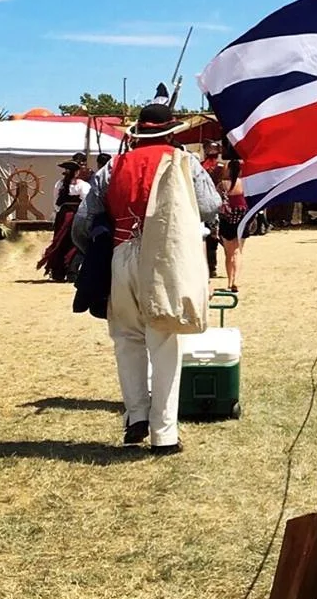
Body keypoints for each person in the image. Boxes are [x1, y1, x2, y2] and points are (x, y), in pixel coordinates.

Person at [72, 103, 220, 453]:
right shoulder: (186, 163)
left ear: (138, 134)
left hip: (121, 254)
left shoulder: (114, 166)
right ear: (170, 132)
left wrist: (95, 253)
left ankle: (136, 415)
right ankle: (164, 435)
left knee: (127, 339)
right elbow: (211, 206)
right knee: (164, 340)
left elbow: (83, 221)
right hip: (165, 255)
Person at [37, 159, 92, 281]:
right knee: (74, 242)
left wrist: (61, 212)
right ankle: (71, 271)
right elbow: (86, 202)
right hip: (77, 216)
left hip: (62, 216)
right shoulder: (83, 185)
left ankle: (58, 272)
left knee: (60, 243)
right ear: (77, 172)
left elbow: (56, 204)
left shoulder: (59, 184)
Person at [217, 157, 249, 292]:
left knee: (228, 253)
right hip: (241, 219)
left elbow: (216, 201)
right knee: (238, 251)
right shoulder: (245, 184)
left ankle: (230, 281)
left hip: (226, 220)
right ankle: (236, 280)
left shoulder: (222, 185)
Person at [200, 140, 223, 278]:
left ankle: (208, 266)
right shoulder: (221, 167)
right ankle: (212, 267)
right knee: (213, 238)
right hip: (216, 204)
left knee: (207, 237)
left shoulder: (201, 166)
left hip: (205, 204)